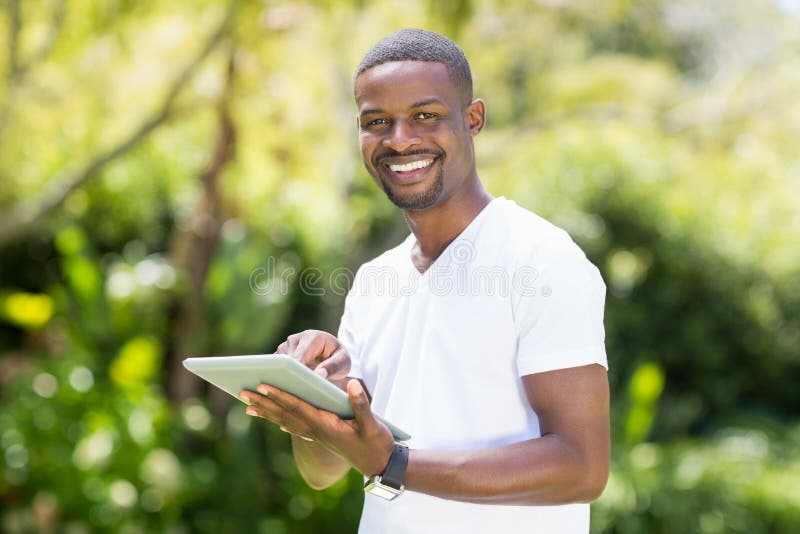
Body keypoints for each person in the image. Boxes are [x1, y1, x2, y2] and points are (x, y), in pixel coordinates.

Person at [239, 28, 610, 533]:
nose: (400, 139)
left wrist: (394, 464)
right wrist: (312, 408)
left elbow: (582, 468)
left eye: (425, 115)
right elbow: (323, 472)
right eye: (376, 122)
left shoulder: (541, 260)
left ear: (473, 119)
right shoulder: (374, 282)